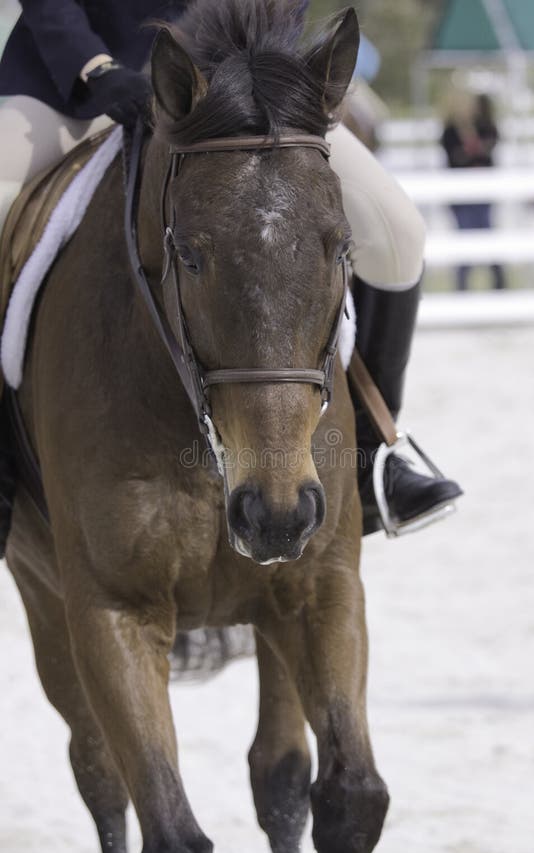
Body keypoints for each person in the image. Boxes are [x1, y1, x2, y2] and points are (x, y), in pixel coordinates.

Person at [0, 0, 462, 556]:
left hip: (240, 94)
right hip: (76, 89)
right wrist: (95, 68)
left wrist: (255, 71)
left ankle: (371, 458)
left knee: (399, 232)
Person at [440, 91, 506, 292]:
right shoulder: (450, 132)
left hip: (483, 195)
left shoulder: (484, 126)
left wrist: (471, 152)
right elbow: (456, 158)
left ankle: (500, 286)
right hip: (461, 199)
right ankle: (462, 289)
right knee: (465, 242)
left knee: (489, 239)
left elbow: (490, 145)